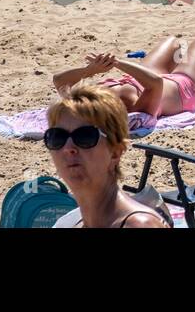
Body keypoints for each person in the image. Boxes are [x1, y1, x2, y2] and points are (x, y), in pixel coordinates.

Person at [42, 86, 168, 228]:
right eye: (57, 137)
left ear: (115, 151)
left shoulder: (139, 225)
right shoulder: (71, 223)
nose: (68, 148)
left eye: (85, 136)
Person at [53, 31, 195, 119]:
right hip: (182, 88)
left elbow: (59, 80)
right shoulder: (132, 107)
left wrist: (90, 70)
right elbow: (156, 83)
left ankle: (185, 60)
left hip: (143, 78)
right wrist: (116, 63)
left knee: (176, 43)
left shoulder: (86, 100)